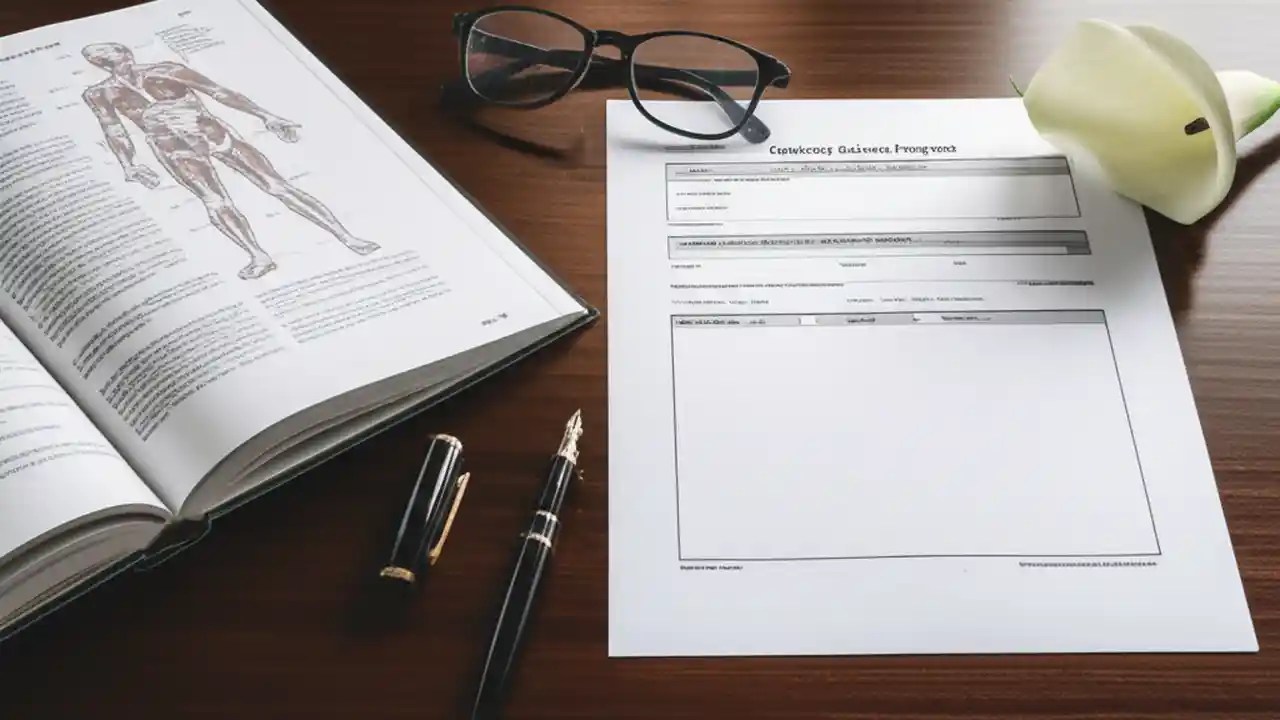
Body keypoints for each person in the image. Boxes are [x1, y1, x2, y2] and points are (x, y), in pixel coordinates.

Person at [80, 42, 378, 279]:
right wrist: (128, 164)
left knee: (276, 186)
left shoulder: (167, 70)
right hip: (173, 149)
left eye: (122, 57)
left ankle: (346, 237)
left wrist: (266, 116)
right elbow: (113, 128)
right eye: (111, 62)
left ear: (128, 55)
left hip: (212, 133)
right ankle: (258, 256)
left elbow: (219, 92)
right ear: (102, 66)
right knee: (215, 201)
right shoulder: (100, 93)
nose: (123, 64)